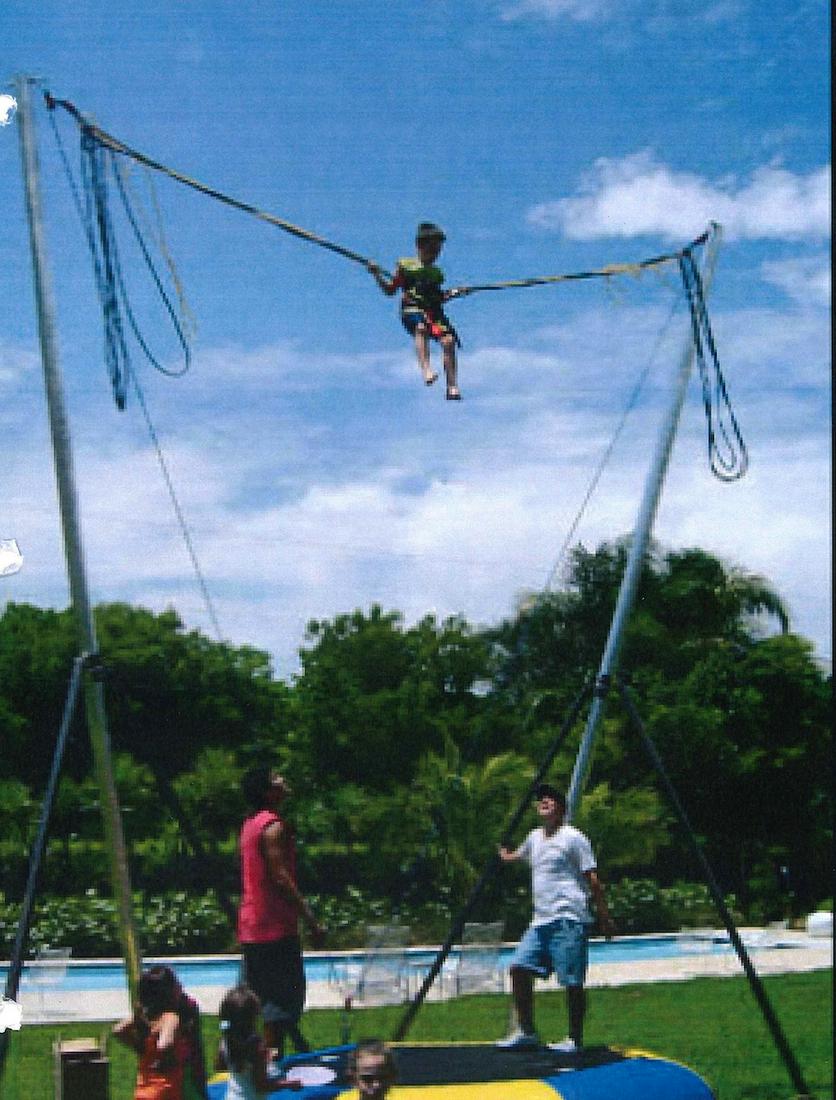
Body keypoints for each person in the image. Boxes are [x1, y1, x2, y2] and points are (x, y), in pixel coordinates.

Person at [496, 783, 615, 1054]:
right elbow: (518, 855)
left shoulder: (574, 838)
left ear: (561, 808)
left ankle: (574, 1038)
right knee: (519, 968)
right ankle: (527, 1031)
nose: (544, 802)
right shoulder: (534, 837)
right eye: (541, 800)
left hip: (568, 918)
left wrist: (604, 916)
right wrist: (505, 856)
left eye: (550, 800)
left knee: (571, 981)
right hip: (541, 921)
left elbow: (593, 880)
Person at [237, 765, 325, 1059]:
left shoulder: (249, 824)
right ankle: (272, 1058)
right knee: (284, 999)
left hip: (252, 924)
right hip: (273, 924)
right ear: (267, 791)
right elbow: (280, 877)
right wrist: (310, 919)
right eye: (276, 779)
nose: (283, 780)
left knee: (258, 999)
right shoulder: (273, 826)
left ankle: (255, 1059)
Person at [367, 222, 465, 400]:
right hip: (412, 309)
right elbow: (390, 290)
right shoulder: (406, 266)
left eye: (438, 251)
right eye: (431, 250)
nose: (435, 255)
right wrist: (376, 274)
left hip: (433, 313)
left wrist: (454, 293)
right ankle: (426, 369)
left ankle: (452, 386)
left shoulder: (436, 274)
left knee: (449, 341)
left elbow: (437, 298)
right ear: (420, 246)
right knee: (420, 328)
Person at [113, 965, 192, 1100]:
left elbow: (118, 1030)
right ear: (170, 992)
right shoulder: (170, 1017)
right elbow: (164, 1044)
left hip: (143, 1089)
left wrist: (139, 1047)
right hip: (164, 1090)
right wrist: (166, 1057)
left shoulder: (146, 1018)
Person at [215, 984, 301, 1096]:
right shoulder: (256, 1046)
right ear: (254, 1016)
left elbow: (220, 1066)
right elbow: (261, 1086)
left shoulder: (226, 1039)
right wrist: (289, 1084)